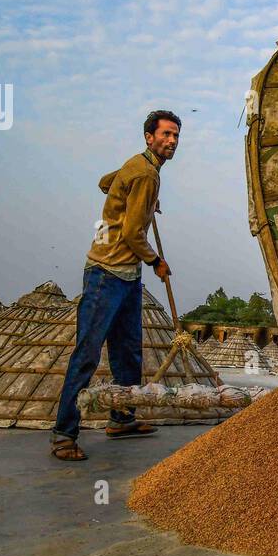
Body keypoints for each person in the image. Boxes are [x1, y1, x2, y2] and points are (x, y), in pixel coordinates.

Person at [50, 110, 180, 461]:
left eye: (175, 136)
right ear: (148, 137)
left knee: (128, 353)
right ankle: (64, 433)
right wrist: (156, 261)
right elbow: (132, 234)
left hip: (127, 276)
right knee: (87, 353)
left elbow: (105, 182)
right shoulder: (146, 173)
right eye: (165, 134)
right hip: (107, 272)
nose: (171, 141)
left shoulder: (135, 167)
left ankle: (122, 418)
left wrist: (139, 200)